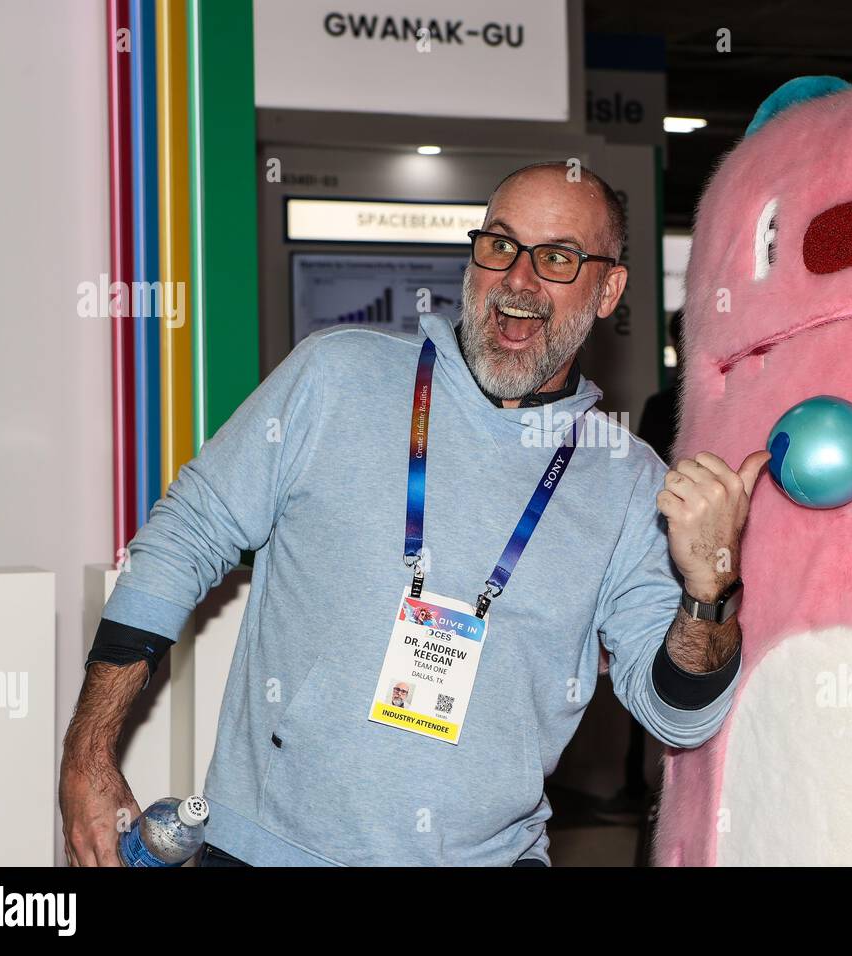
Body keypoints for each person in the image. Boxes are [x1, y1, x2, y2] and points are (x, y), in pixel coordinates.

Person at [59, 161, 768, 867]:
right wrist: (90, 751)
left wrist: (709, 592)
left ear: (608, 288)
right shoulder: (337, 375)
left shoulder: (626, 479)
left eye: (556, 258)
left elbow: (678, 714)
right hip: (268, 849)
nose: (518, 281)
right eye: (499, 245)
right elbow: (186, 533)